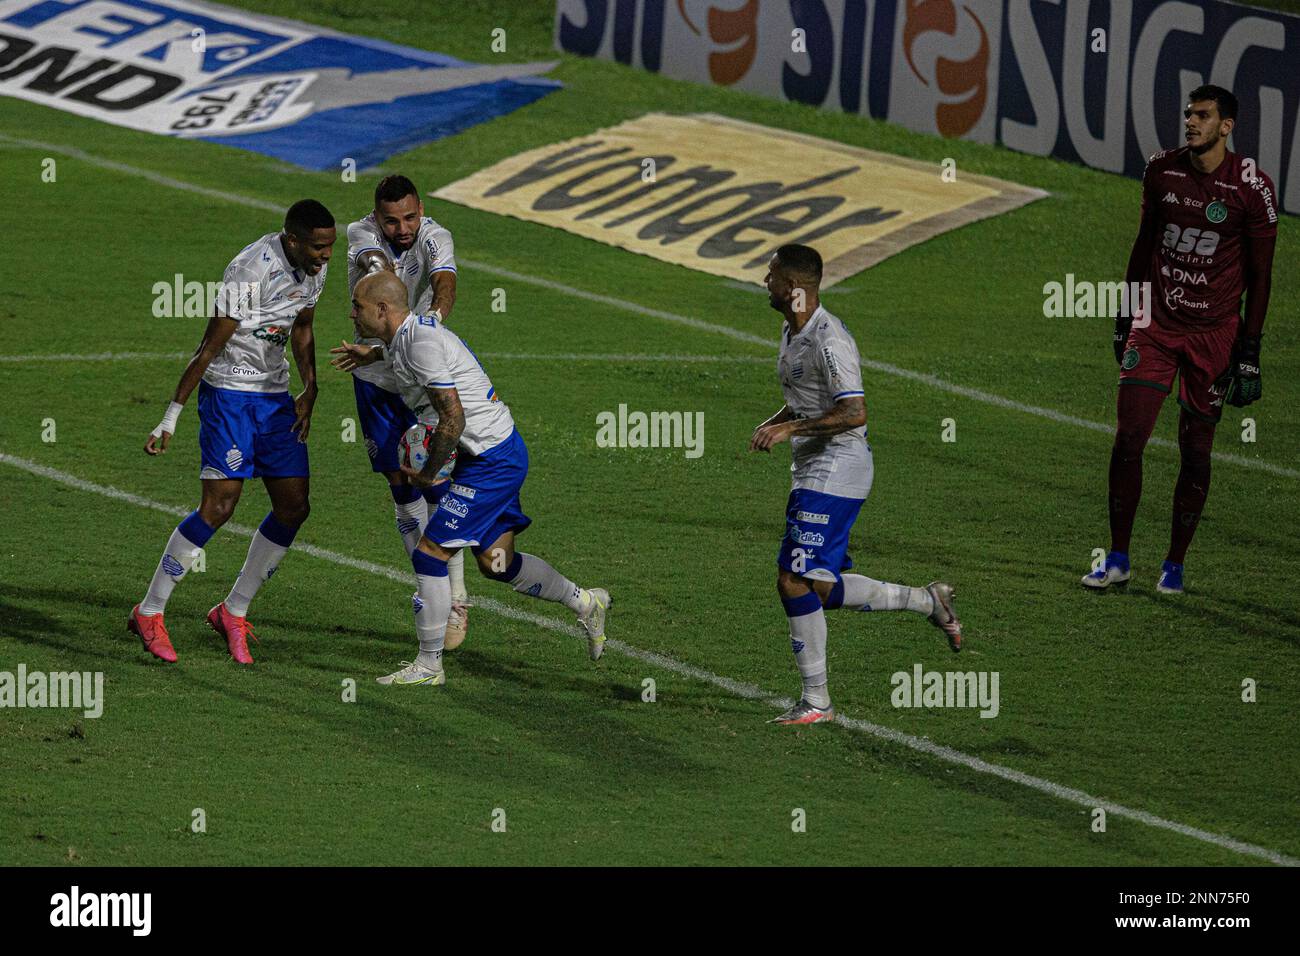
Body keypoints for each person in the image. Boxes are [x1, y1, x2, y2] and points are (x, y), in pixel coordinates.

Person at [333, 271, 610, 687]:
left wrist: (428, 475)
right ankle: (586, 602)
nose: (351, 312)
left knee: (430, 554)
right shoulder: (405, 338)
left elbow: (453, 416)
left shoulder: (420, 343)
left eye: (357, 306)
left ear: (382, 309)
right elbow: (407, 362)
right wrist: (373, 356)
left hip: (490, 461)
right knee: (497, 564)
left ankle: (429, 666)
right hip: (490, 453)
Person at [750, 244, 963, 726]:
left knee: (792, 580)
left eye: (772, 274)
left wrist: (789, 430)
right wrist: (776, 421)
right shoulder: (792, 329)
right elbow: (807, 399)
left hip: (837, 466)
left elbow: (853, 411)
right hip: (814, 467)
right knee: (818, 589)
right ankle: (928, 601)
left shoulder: (830, 340)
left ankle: (817, 702)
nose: (766, 281)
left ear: (795, 288)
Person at [1084, 85, 1278, 594]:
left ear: (1227, 126)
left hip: (1214, 336)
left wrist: (1251, 352)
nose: (1191, 122)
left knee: (1196, 452)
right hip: (1156, 326)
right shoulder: (1162, 171)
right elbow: (1144, 246)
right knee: (1129, 438)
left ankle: (1174, 563)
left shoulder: (1251, 189)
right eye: (1189, 113)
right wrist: (1125, 318)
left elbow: (1261, 277)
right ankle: (1119, 558)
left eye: (1203, 115)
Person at [129, 200, 335, 664]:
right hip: (229, 396)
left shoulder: (314, 269)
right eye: (319, 247)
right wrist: (170, 416)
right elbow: (208, 347)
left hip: (274, 397)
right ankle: (150, 610)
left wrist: (311, 386)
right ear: (294, 239)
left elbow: (303, 327)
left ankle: (233, 610)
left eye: (330, 248)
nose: (326, 256)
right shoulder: (249, 271)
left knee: (293, 506)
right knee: (220, 506)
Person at [345, 174, 472, 648]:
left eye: (410, 217)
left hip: (417, 376)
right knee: (401, 485)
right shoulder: (361, 235)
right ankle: (429, 588)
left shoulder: (437, 236)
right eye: (391, 220)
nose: (402, 229)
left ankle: (456, 599)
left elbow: (444, 283)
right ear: (376, 216)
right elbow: (374, 264)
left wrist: (428, 324)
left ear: (422, 208)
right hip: (375, 380)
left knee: (435, 477)